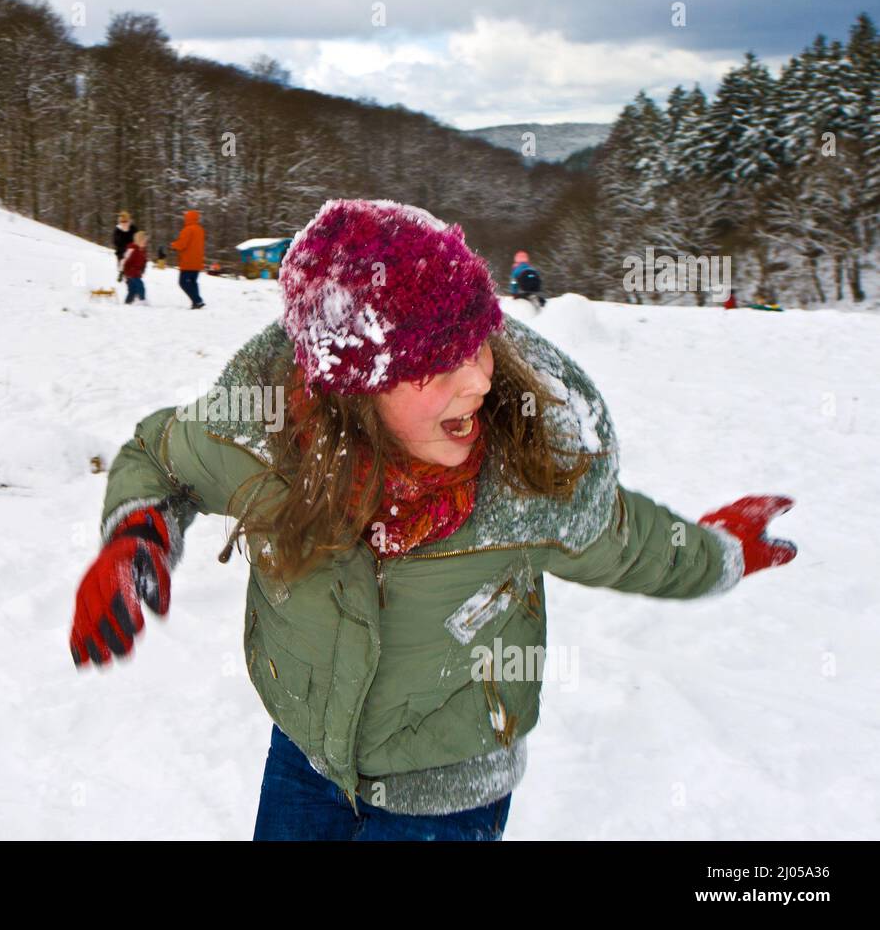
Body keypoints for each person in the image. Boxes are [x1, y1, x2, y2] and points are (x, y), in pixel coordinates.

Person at [68, 199, 797, 841]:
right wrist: (141, 532)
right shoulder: (261, 439)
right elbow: (161, 456)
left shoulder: (524, 477)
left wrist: (718, 552)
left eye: (478, 344)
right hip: (304, 751)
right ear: (349, 392)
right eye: (434, 366)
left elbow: (628, 544)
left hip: (448, 790)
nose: (478, 380)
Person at [170, 209, 206, 309]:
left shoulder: (187, 229)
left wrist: (173, 245)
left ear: (188, 218)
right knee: (193, 283)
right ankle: (196, 302)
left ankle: (197, 300)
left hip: (187, 262)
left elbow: (182, 244)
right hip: (198, 262)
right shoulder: (200, 230)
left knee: (183, 283)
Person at [120, 230, 149, 304]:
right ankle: (142, 301)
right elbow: (124, 260)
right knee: (140, 286)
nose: (145, 243)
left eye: (146, 241)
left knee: (132, 290)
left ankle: (127, 303)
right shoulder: (132, 249)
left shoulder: (143, 250)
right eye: (144, 241)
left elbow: (144, 261)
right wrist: (121, 272)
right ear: (138, 240)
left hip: (137, 273)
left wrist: (143, 269)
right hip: (130, 273)